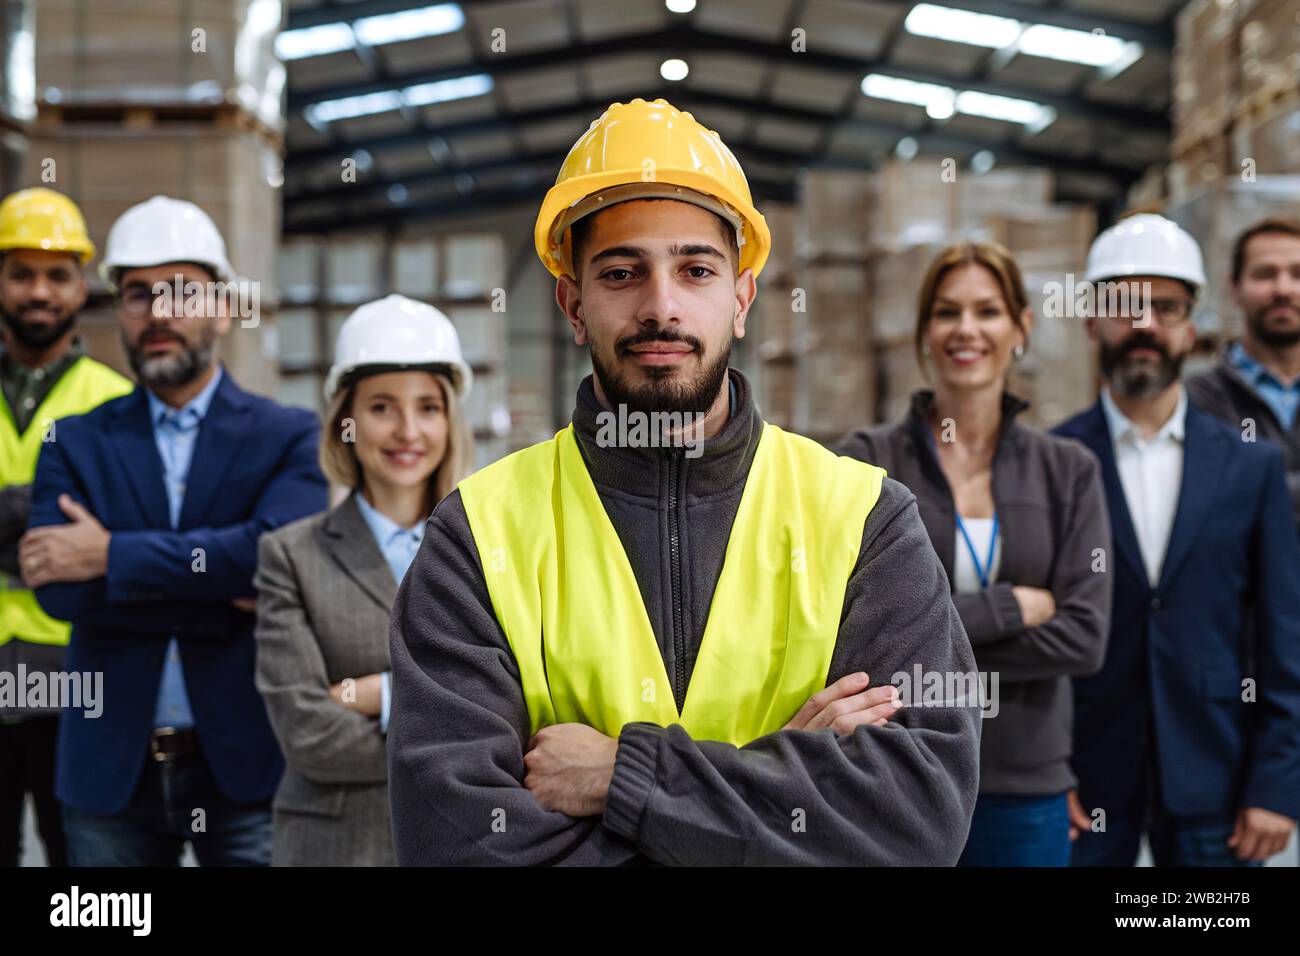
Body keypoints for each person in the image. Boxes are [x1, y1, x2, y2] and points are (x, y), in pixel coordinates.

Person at [388, 98, 980, 866]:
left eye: (696, 269)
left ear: (741, 298)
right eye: (621, 272)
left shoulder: (865, 518)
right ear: (573, 304)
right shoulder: (478, 534)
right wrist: (780, 781)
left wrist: (627, 778)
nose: (660, 306)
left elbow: (918, 821)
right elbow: (456, 845)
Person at [20, 196, 328, 866]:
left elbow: (281, 568)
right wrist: (224, 580)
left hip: (248, 765)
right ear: (119, 311)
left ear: (223, 307)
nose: (159, 313)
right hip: (109, 774)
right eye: (138, 294)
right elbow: (58, 590)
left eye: (181, 292)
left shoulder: (287, 435)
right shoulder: (73, 440)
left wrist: (110, 555)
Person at [838, 241, 1111, 867]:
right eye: (947, 312)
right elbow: (852, 632)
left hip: (1024, 788)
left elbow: (1084, 638)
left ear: (1021, 327)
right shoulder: (867, 461)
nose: (966, 329)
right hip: (895, 776)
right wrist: (1007, 609)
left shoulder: (1068, 471)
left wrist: (917, 651)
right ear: (924, 332)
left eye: (987, 311)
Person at [1054, 214, 1300, 866]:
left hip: (1220, 774)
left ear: (1191, 327)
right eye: (1124, 306)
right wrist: (1044, 768)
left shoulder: (1250, 466)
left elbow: (1284, 637)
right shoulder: (1050, 460)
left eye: (1165, 307)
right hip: (1085, 778)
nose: (1144, 324)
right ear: (1091, 322)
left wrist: (1278, 782)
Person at [254, 294, 474, 866]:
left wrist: (384, 694)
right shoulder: (291, 556)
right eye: (381, 408)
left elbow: (521, 709)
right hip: (335, 848)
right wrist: (461, 737)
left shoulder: (492, 550)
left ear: (450, 421)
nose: (408, 430)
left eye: (428, 407)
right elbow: (307, 734)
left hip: (461, 845)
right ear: (345, 423)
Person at [0, 188, 132, 867]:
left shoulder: (115, 403)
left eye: (57, 275)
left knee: (80, 869)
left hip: (76, 673)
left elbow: (125, 533)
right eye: (20, 273)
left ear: (82, 287)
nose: (39, 292)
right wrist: (46, 520)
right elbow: (73, 531)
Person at [1186, 217, 1300, 530]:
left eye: (1297, 274)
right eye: (1265, 274)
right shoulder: (1196, 402)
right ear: (1234, 288)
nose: (1283, 289)